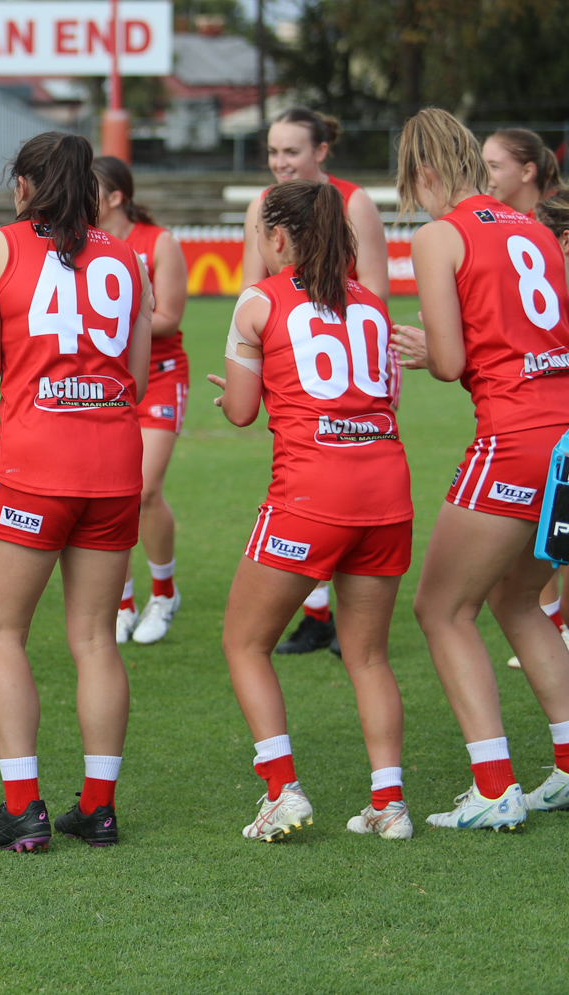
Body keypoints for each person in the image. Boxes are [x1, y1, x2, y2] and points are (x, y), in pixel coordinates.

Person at [0, 131, 152, 850]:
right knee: (97, 638)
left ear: (23, 186)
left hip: (35, 463)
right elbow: (135, 377)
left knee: (1, 632)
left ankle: (24, 808)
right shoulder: (127, 256)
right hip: (115, 462)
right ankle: (98, 807)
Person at [211, 179, 413, 842]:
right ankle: (390, 802)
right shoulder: (373, 304)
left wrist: (233, 394)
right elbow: (386, 398)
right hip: (387, 492)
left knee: (245, 642)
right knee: (369, 656)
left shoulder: (258, 300)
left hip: (311, 496)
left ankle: (282, 790)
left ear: (277, 237)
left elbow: (242, 411)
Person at [390, 107, 569, 827]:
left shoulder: (440, 235)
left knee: (440, 608)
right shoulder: (535, 227)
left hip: (515, 435)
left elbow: (452, 359)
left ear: (426, 171)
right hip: (564, 430)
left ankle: (494, 788)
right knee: (518, 600)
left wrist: (424, 352)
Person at [242, 107, 392, 656]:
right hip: (294, 361)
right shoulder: (263, 205)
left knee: (343, 479)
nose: (281, 162)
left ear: (321, 151)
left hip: (350, 364)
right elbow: (251, 286)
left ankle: (342, 618)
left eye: (292, 151)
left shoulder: (354, 201)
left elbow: (373, 290)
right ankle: (317, 614)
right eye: (273, 151)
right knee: (309, 480)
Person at [95, 156, 189, 646]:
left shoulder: (158, 242)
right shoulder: (81, 242)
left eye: (89, 188)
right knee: (109, 494)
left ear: (115, 197)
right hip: (100, 381)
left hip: (160, 377)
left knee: (144, 491)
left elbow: (168, 318)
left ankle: (164, 594)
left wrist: (105, 318)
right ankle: (123, 601)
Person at [482, 130, 566, 641]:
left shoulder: (548, 225)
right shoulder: (518, 229)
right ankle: (554, 628)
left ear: (528, 171)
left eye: (494, 165)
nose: (485, 176)